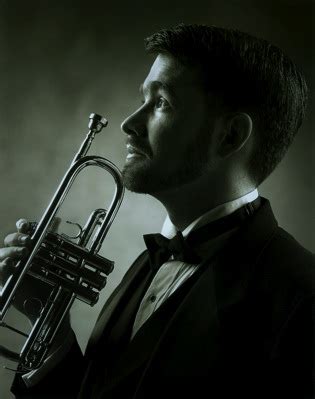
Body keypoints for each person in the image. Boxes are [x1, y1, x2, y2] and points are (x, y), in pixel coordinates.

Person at [0, 24, 313, 399]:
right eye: (142, 99)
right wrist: (48, 325)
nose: (129, 124)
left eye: (162, 102)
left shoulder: (301, 297)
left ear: (230, 136)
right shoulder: (149, 262)